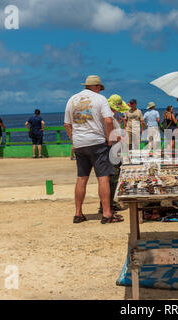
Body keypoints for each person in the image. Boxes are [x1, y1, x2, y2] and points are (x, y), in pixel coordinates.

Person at [64, 75, 123, 224]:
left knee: (81, 178)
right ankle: (107, 213)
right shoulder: (100, 99)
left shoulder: (72, 99)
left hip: (80, 144)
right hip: (97, 142)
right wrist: (109, 138)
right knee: (103, 178)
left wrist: (74, 139)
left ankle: (78, 214)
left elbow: (66, 124)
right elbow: (108, 120)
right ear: (97, 87)